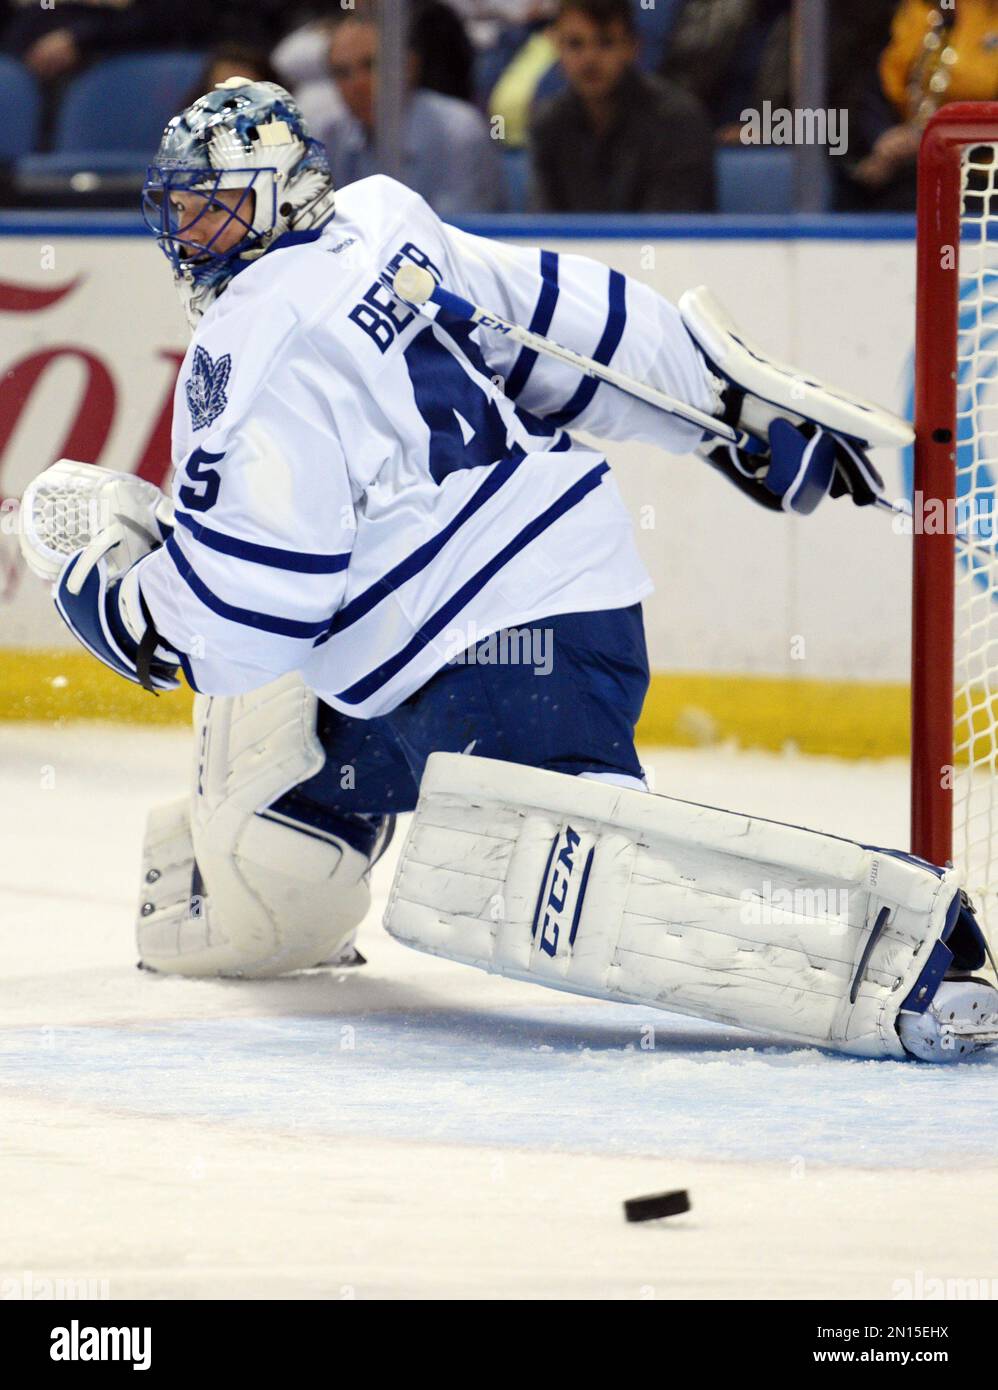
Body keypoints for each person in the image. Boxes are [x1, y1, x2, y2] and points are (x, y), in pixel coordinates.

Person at [19, 78, 998, 1063]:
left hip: (502, 646)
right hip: (488, 635)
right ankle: (288, 899)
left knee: (559, 889)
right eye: (179, 205)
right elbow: (558, 324)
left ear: (274, 192)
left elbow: (252, 610)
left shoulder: (246, 349)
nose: (188, 229)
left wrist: (110, 599)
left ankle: (898, 948)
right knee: (272, 827)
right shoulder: (380, 217)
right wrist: (717, 409)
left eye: (210, 203)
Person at [306, 10, 503, 215]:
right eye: (342, 73)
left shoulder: (459, 131)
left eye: (370, 65)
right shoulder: (328, 136)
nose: (357, 84)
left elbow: (458, 233)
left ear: (409, 65)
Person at [529, 0, 714, 212]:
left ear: (632, 48)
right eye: (575, 44)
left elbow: (670, 231)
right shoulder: (549, 122)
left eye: (605, 43)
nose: (590, 59)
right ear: (557, 47)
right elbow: (542, 224)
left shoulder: (678, 121)